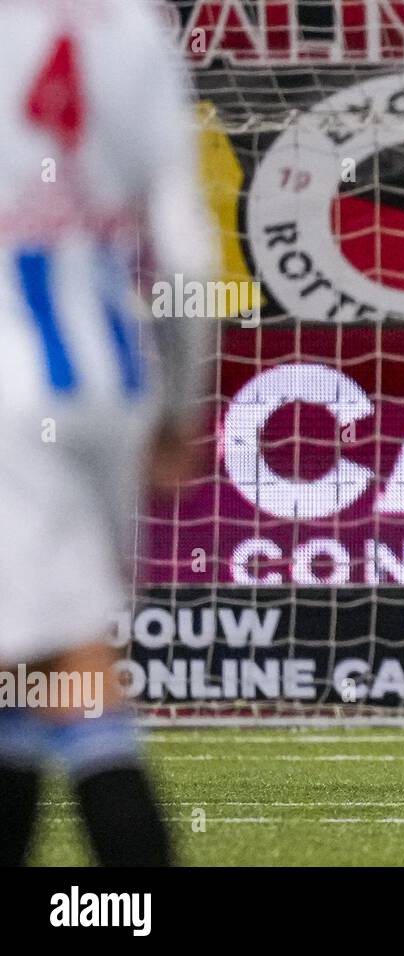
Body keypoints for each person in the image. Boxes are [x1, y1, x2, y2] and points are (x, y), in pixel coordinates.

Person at [0, 0, 217, 865]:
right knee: (31, 665)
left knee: (73, 666)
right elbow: (189, 253)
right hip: (109, 381)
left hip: (10, 388)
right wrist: (178, 411)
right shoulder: (137, 28)